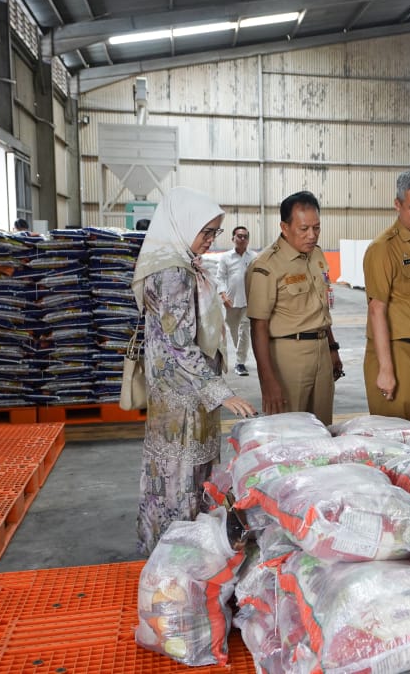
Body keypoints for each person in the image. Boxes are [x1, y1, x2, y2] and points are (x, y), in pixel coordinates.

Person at [132, 187, 257, 555]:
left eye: (214, 232)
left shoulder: (182, 262)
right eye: (206, 232)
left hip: (188, 393)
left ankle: (180, 552)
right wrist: (221, 391)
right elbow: (178, 345)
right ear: (182, 224)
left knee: (186, 475)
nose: (210, 240)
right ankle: (179, 556)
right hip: (182, 396)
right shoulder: (172, 272)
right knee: (180, 478)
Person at [247, 192, 342, 425]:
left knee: (322, 427)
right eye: (304, 229)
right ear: (285, 227)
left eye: (317, 228)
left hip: (321, 351)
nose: (312, 235)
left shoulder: (316, 254)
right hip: (289, 357)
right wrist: (267, 381)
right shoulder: (266, 265)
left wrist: (332, 348)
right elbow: (258, 326)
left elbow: (321, 308)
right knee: (289, 431)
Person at [363, 170, 410, 421]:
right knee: (394, 438)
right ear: (397, 204)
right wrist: (386, 369)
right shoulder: (383, 248)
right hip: (396, 353)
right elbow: (377, 309)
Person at [216, 226, 257, 376]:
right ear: (233, 238)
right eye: (239, 236)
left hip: (249, 301)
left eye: (245, 236)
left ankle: (240, 363)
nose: (242, 239)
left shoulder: (253, 257)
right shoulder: (226, 257)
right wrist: (223, 295)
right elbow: (219, 277)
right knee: (234, 331)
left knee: (243, 331)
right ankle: (241, 353)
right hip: (231, 302)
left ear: (248, 239)